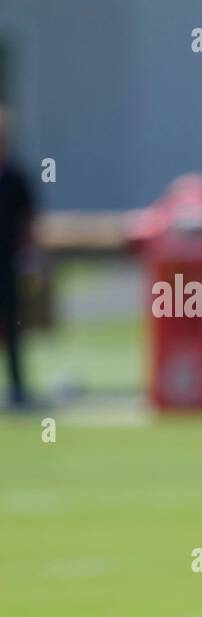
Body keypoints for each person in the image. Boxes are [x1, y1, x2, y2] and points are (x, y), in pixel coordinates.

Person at [0, 108, 35, 410]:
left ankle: (17, 389)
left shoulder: (14, 177)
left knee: (12, 328)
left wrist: (28, 255)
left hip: (6, 264)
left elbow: (28, 221)